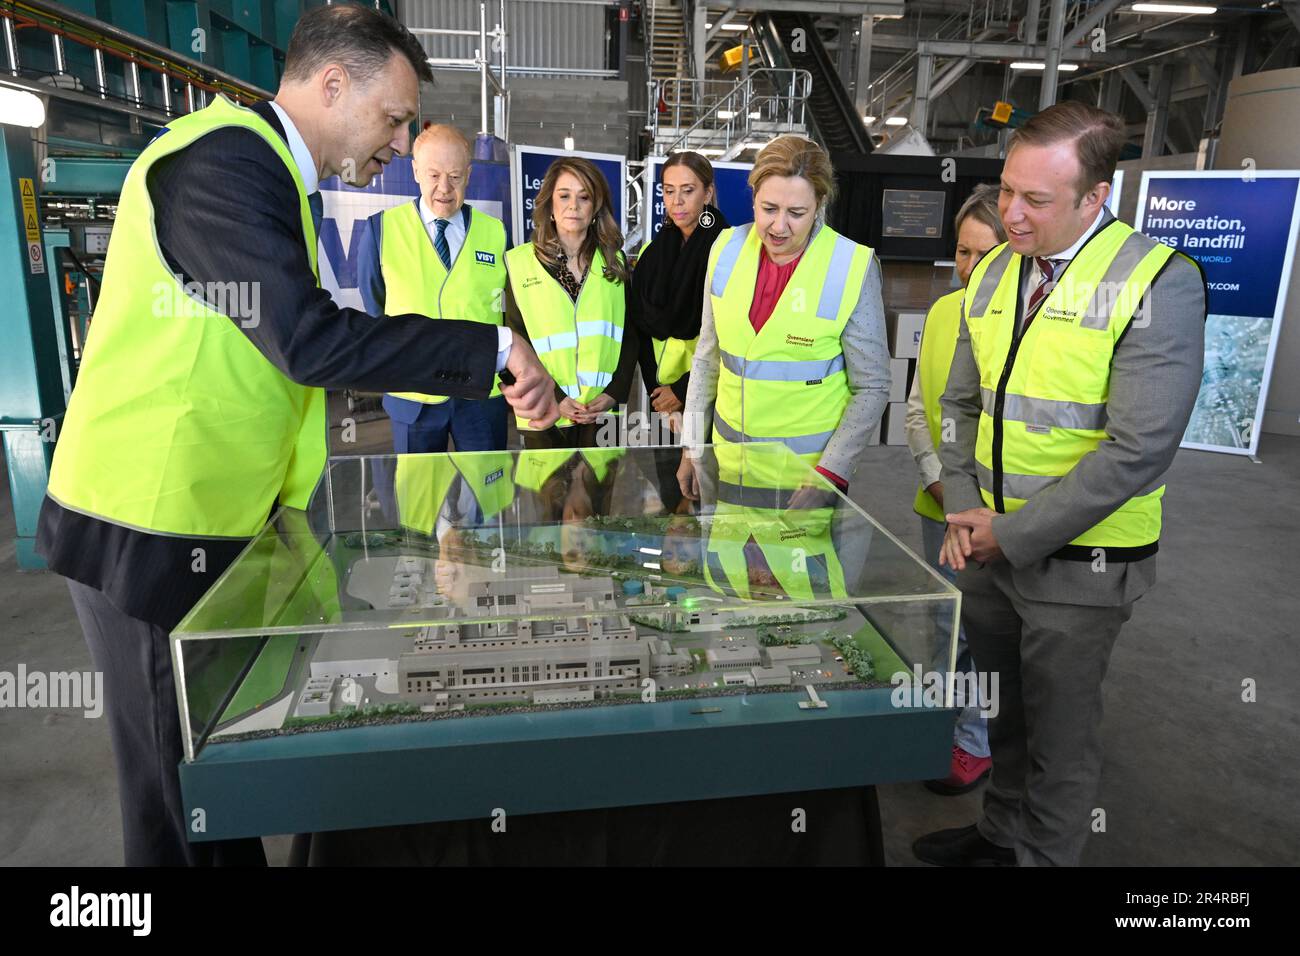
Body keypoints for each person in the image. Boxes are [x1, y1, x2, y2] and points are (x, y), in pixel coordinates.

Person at [35, 4, 557, 867]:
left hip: (211, 521)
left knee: (214, 771)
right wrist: (493, 346)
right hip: (148, 525)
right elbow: (309, 340)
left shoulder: (273, 176)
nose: (398, 144)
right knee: (182, 796)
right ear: (331, 82)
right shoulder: (223, 164)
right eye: (392, 118)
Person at [913, 101, 1207, 867]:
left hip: (1080, 564)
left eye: (1035, 200)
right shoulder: (999, 271)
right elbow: (957, 406)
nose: (1010, 214)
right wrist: (965, 501)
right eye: (1006, 190)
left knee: (1060, 738)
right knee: (1004, 715)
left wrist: (1009, 534)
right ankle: (1000, 835)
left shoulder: (1157, 283)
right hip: (984, 544)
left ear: (1095, 196)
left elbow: (1139, 449)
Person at [678, 134, 890, 505]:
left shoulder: (851, 266)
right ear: (753, 196)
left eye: (796, 213)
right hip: (728, 471)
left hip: (805, 482)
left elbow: (872, 387)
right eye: (768, 208)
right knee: (725, 561)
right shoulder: (725, 250)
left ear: (819, 204)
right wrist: (692, 447)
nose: (778, 227)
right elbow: (707, 359)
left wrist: (830, 474)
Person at [905, 183, 1004, 795]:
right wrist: (940, 483)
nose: (968, 268)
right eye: (962, 253)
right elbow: (919, 409)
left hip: (999, 514)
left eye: (982, 254)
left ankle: (978, 743)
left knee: (989, 634)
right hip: (941, 503)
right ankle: (958, 731)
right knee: (949, 627)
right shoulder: (944, 313)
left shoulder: (1025, 323)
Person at [357, 124, 510, 453]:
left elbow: (507, 311)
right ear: (415, 171)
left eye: (455, 177)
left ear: (468, 175)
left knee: (489, 497)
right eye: (433, 175)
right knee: (420, 501)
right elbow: (376, 306)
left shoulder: (495, 233)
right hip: (414, 397)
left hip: (481, 394)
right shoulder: (382, 229)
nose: (444, 188)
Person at [504, 157, 641, 452]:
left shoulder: (615, 263)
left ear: (596, 208)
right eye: (564, 196)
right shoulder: (519, 264)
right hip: (546, 410)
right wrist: (555, 397)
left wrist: (613, 394)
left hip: (602, 411)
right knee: (551, 498)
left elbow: (630, 336)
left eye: (584, 197)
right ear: (549, 205)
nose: (573, 206)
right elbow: (514, 340)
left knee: (599, 497)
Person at [630, 151, 729, 513]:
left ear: (708, 192)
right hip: (663, 400)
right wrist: (660, 394)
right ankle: (676, 567)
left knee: (708, 501)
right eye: (669, 191)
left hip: (711, 399)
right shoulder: (653, 252)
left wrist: (684, 392)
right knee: (672, 497)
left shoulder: (728, 249)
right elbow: (642, 327)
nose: (677, 201)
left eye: (688, 190)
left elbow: (728, 335)